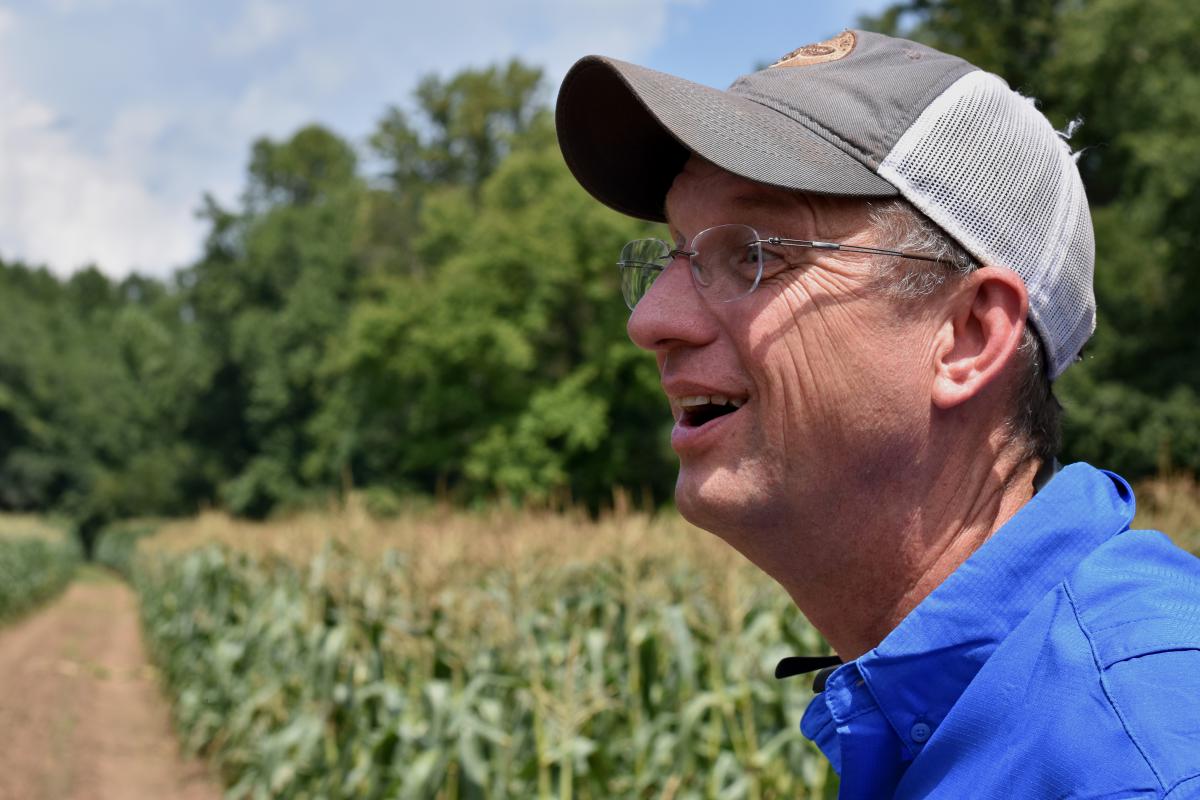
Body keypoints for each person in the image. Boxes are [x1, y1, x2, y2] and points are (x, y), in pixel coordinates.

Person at [554, 29, 1200, 799]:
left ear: (966, 338)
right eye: (676, 255)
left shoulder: (1137, 761)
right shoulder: (947, 709)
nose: (651, 319)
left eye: (755, 252)